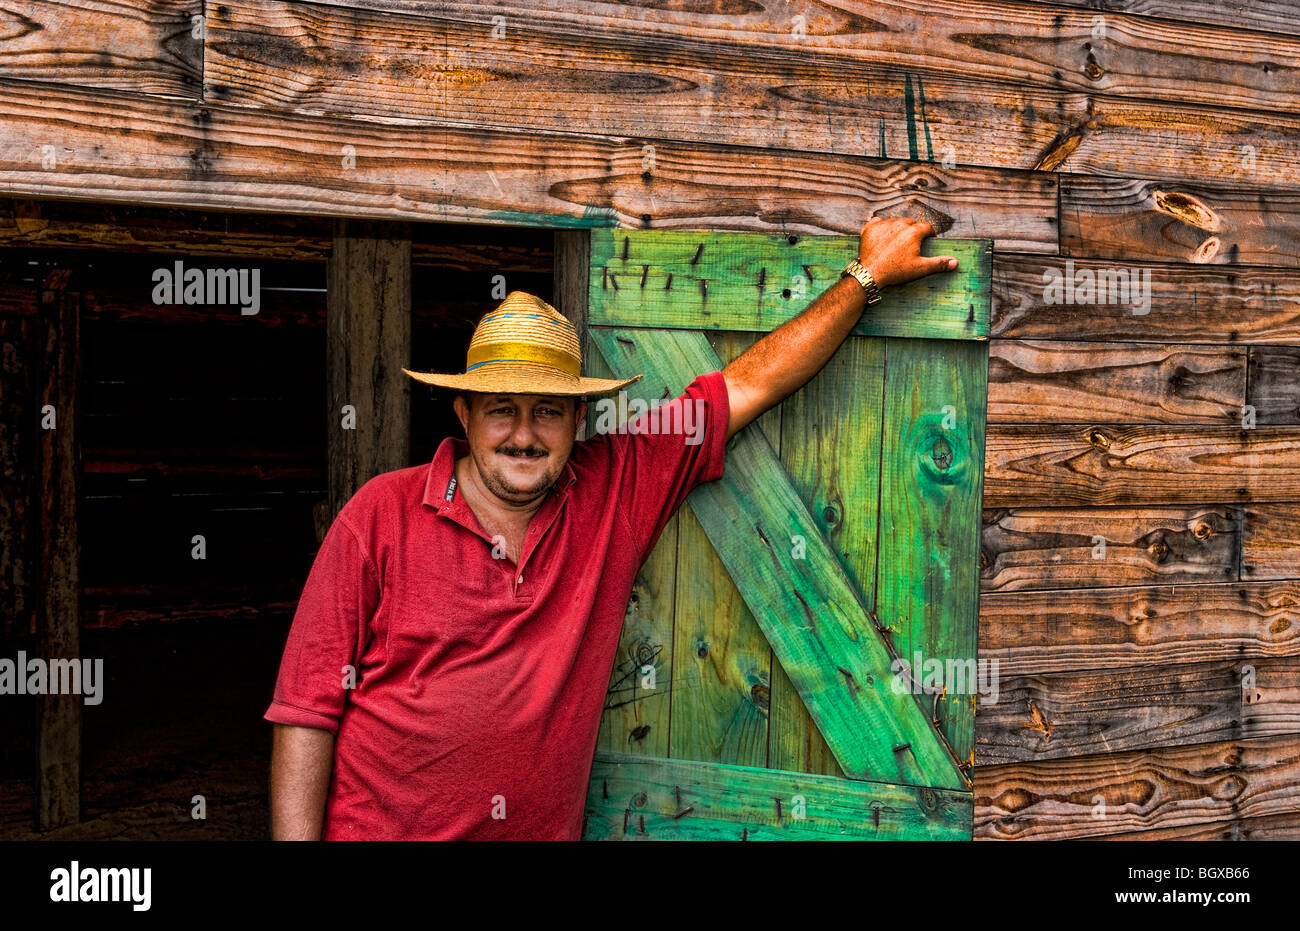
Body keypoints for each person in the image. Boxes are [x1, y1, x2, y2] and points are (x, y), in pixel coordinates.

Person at [265, 216, 957, 839]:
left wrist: (865, 279)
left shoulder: (611, 490)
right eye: (502, 408)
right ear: (464, 414)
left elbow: (749, 385)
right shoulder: (379, 515)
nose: (525, 434)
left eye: (549, 410)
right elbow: (306, 711)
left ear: (579, 420)